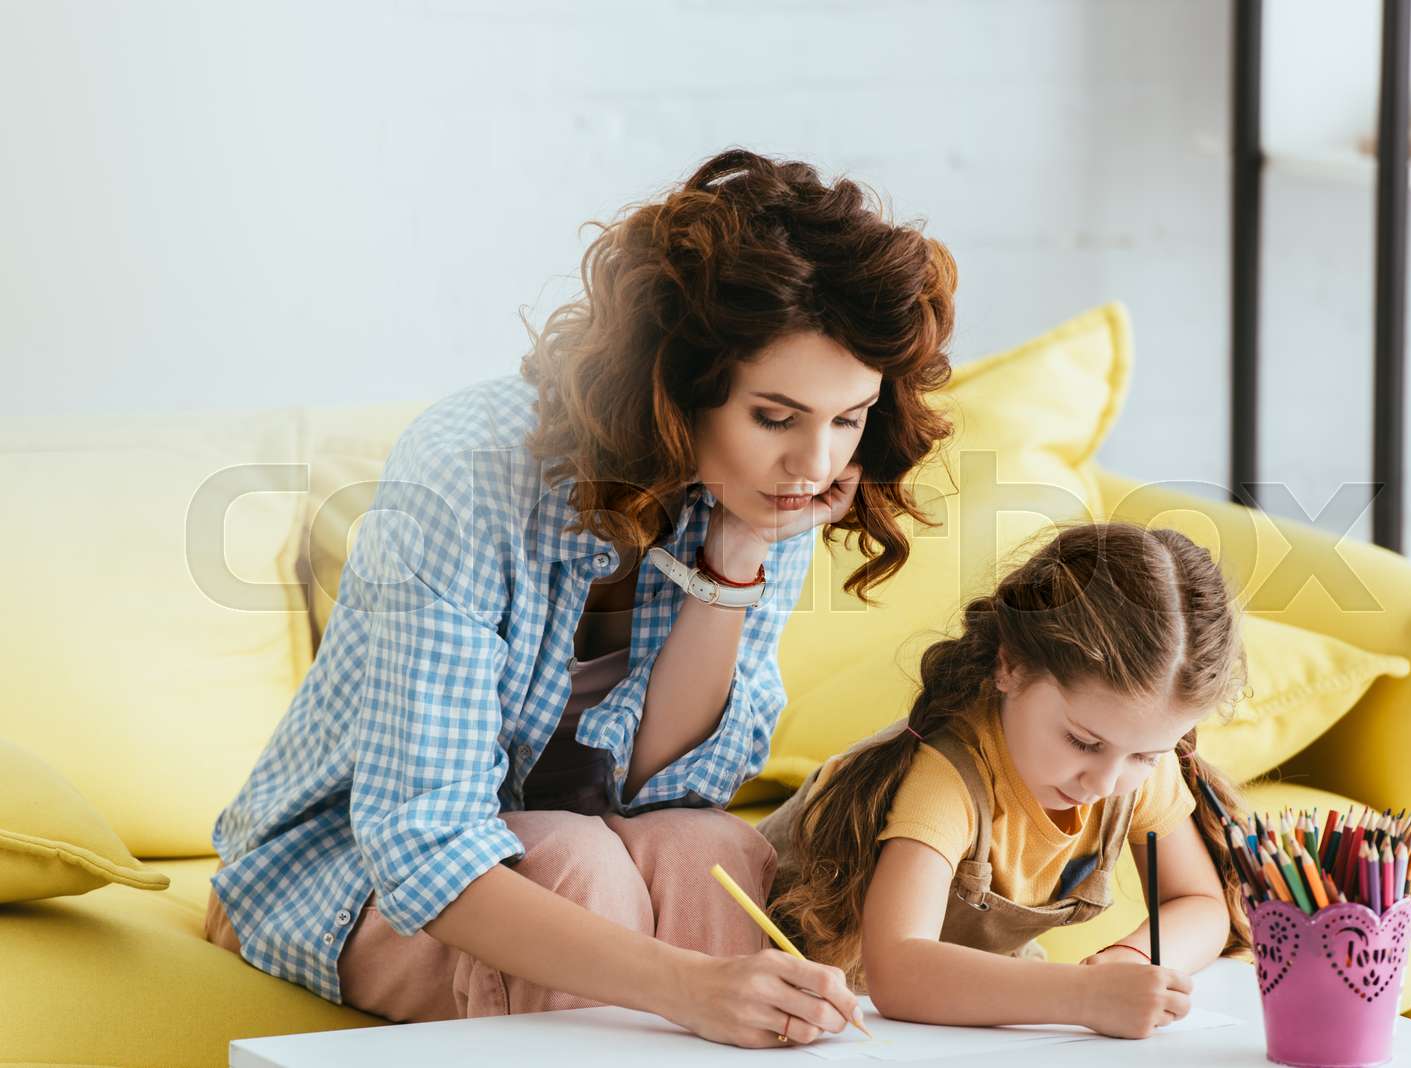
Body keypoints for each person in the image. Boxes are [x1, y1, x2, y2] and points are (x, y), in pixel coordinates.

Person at [203, 148, 958, 1049]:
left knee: (709, 851)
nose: (817, 465)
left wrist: (739, 556)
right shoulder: (466, 472)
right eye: (775, 416)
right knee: (570, 862)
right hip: (336, 869)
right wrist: (688, 987)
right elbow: (423, 842)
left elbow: (668, 790)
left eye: (849, 417)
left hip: (581, 844)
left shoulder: (770, 492)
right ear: (682, 384)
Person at [762, 521, 1254, 1040]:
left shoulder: (1126, 764)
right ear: (1011, 667)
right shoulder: (947, 774)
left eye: (1148, 755)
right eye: (1082, 742)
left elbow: (1199, 904)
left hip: (928, 1022)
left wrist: (1127, 961)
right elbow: (898, 970)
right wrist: (1084, 996)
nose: (1107, 781)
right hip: (775, 982)